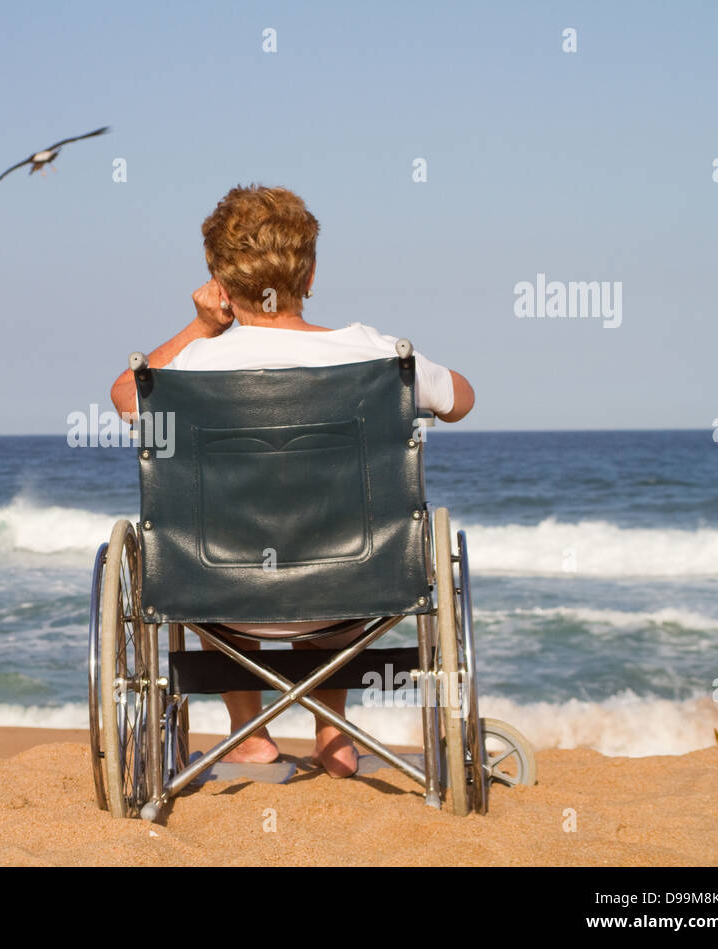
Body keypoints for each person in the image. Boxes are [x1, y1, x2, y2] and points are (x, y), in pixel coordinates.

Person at [109, 184, 475, 778]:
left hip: (219, 601)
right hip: (358, 588)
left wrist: (200, 326)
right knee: (337, 525)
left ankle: (248, 735)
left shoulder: (188, 369)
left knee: (218, 529)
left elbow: (126, 393)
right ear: (310, 276)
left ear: (220, 284)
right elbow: (462, 400)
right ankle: (334, 735)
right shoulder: (380, 355)